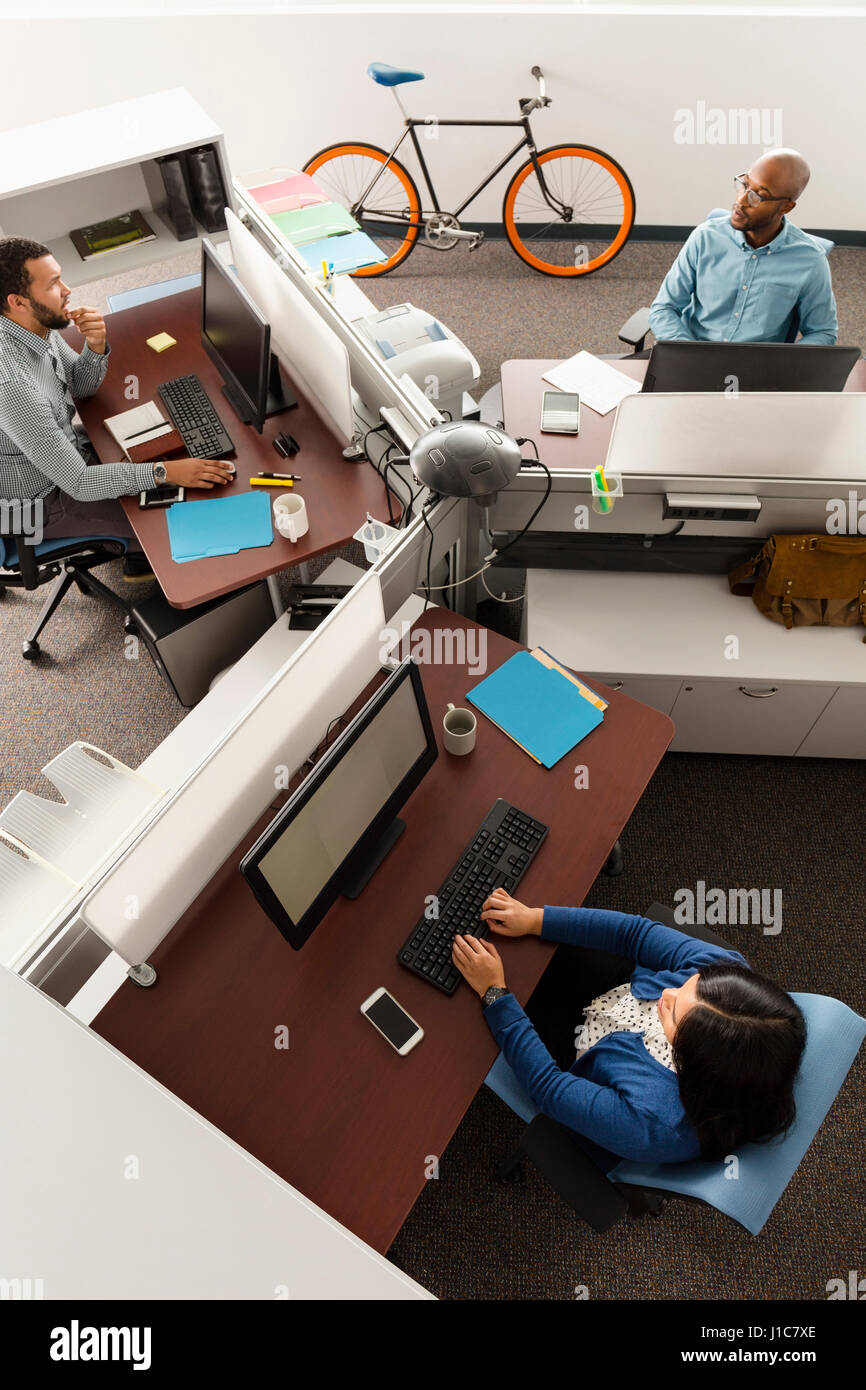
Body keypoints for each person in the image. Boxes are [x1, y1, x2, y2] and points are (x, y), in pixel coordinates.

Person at [452, 889, 806, 1168]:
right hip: (615, 997)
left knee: (449, 1022)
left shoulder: (653, 1122)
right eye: (689, 983)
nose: (666, 992)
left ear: (690, 1061)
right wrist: (534, 919)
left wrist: (494, 993)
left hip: (574, 1060)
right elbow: (634, 934)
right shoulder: (725, 974)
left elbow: (547, 1086)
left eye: (673, 1014)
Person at [0, 236, 233, 571]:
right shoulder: (12, 383)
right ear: (18, 302)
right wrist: (164, 472)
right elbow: (78, 483)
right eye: (53, 284)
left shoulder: (36, 327)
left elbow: (80, 387)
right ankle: (149, 560)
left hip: (68, 450)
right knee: (189, 528)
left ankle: (135, 546)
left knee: (175, 461)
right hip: (42, 500)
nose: (67, 290)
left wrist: (94, 345)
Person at [647, 149, 837, 346]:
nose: (741, 200)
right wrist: (687, 352)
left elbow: (823, 331)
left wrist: (783, 366)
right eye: (744, 184)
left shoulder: (810, 260)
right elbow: (664, 308)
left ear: (785, 207)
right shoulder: (705, 237)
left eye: (758, 195)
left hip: (758, 370)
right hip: (691, 356)